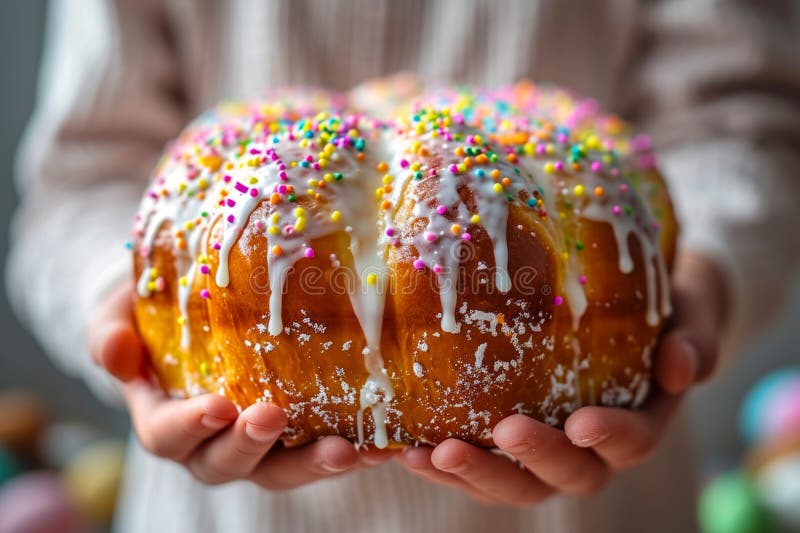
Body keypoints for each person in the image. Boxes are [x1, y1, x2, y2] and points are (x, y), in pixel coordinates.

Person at [8, 1, 800, 532]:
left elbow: (738, 118)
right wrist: (113, 302)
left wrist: (709, 275)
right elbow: (83, 175)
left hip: (600, 498)